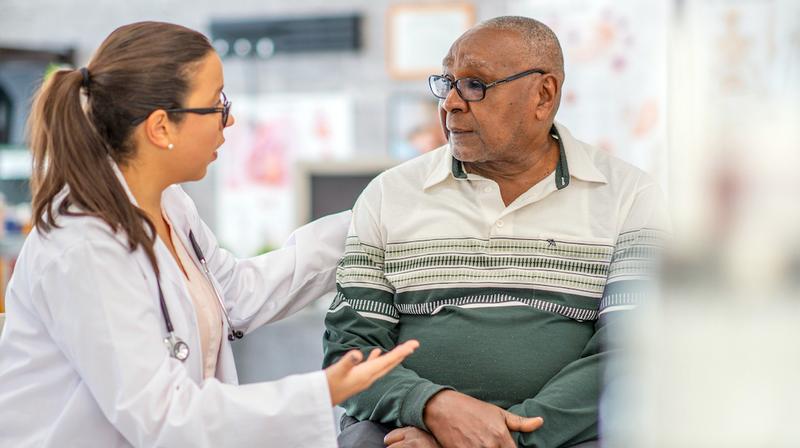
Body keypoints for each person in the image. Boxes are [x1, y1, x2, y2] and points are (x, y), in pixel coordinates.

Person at [0, 21, 418, 448]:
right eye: (216, 103)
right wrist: (321, 391)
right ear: (161, 127)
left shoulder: (170, 205)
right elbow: (164, 417)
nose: (229, 117)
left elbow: (234, 294)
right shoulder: (84, 247)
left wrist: (370, 223)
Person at [323, 16, 668, 448]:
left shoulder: (629, 196)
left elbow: (629, 352)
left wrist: (497, 438)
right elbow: (350, 352)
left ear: (543, 95)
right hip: (405, 429)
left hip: (565, 436)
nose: (450, 102)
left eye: (474, 84)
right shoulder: (390, 193)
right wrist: (433, 407)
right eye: (446, 82)